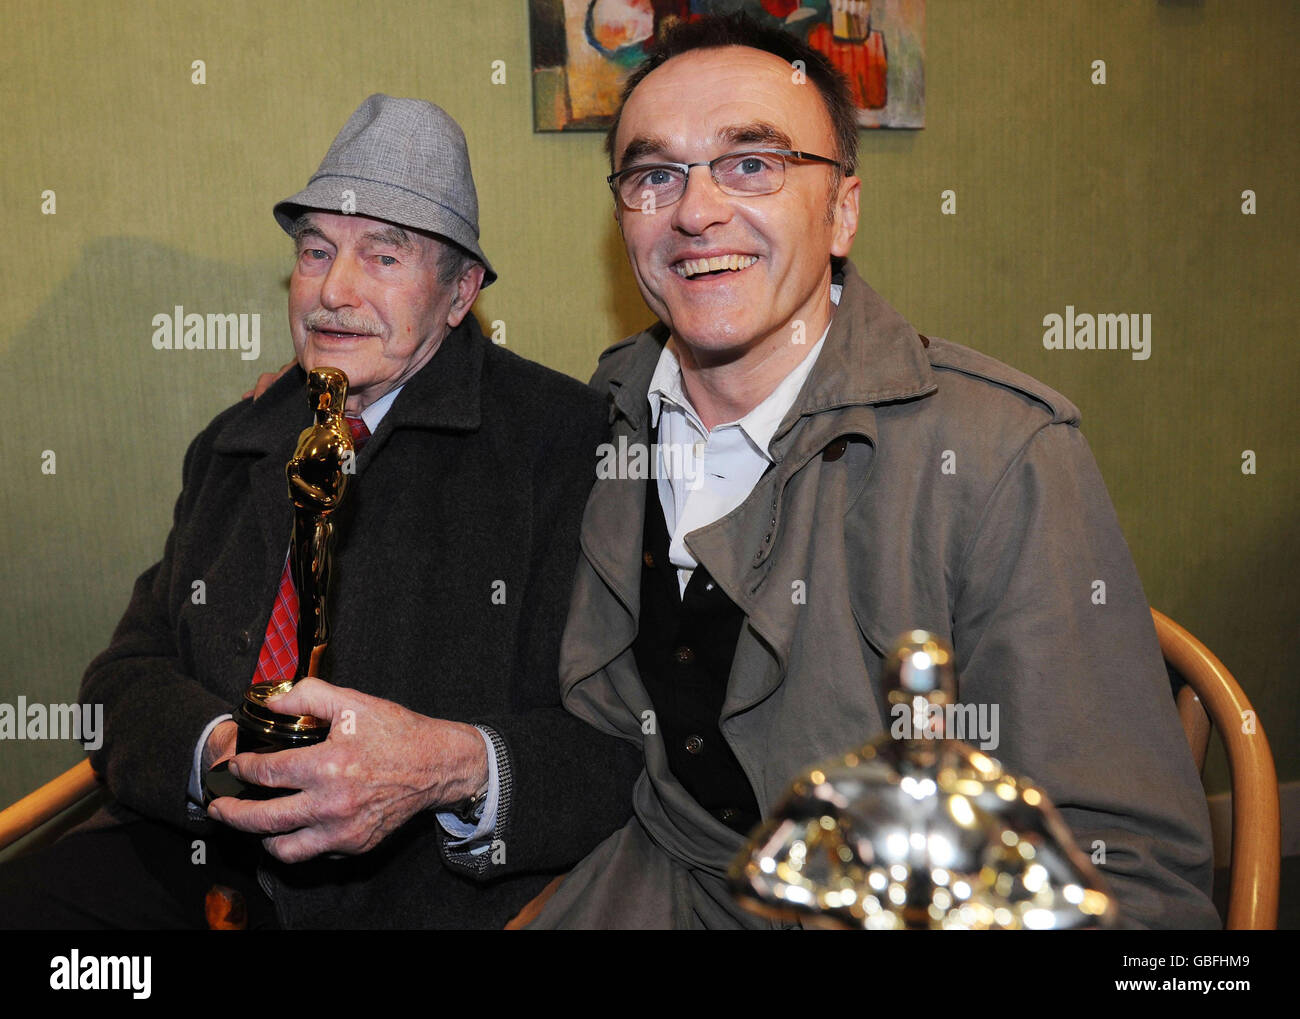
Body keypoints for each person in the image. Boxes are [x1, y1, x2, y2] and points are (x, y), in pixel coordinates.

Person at [526, 15, 1220, 929]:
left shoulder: (1000, 454)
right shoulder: (611, 409)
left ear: (843, 210)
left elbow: (1132, 883)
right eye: (655, 176)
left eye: (752, 164)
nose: (694, 212)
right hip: (657, 882)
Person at [0, 94, 639, 929]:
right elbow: (122, 678)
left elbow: (620, 746)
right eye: (315, 250)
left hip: (427, 887)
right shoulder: (237, 441)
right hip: (203, 855)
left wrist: (443, 769)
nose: (333, 290)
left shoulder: (564, 446)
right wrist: (219, 750)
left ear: (459, 292)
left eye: (383, 256)